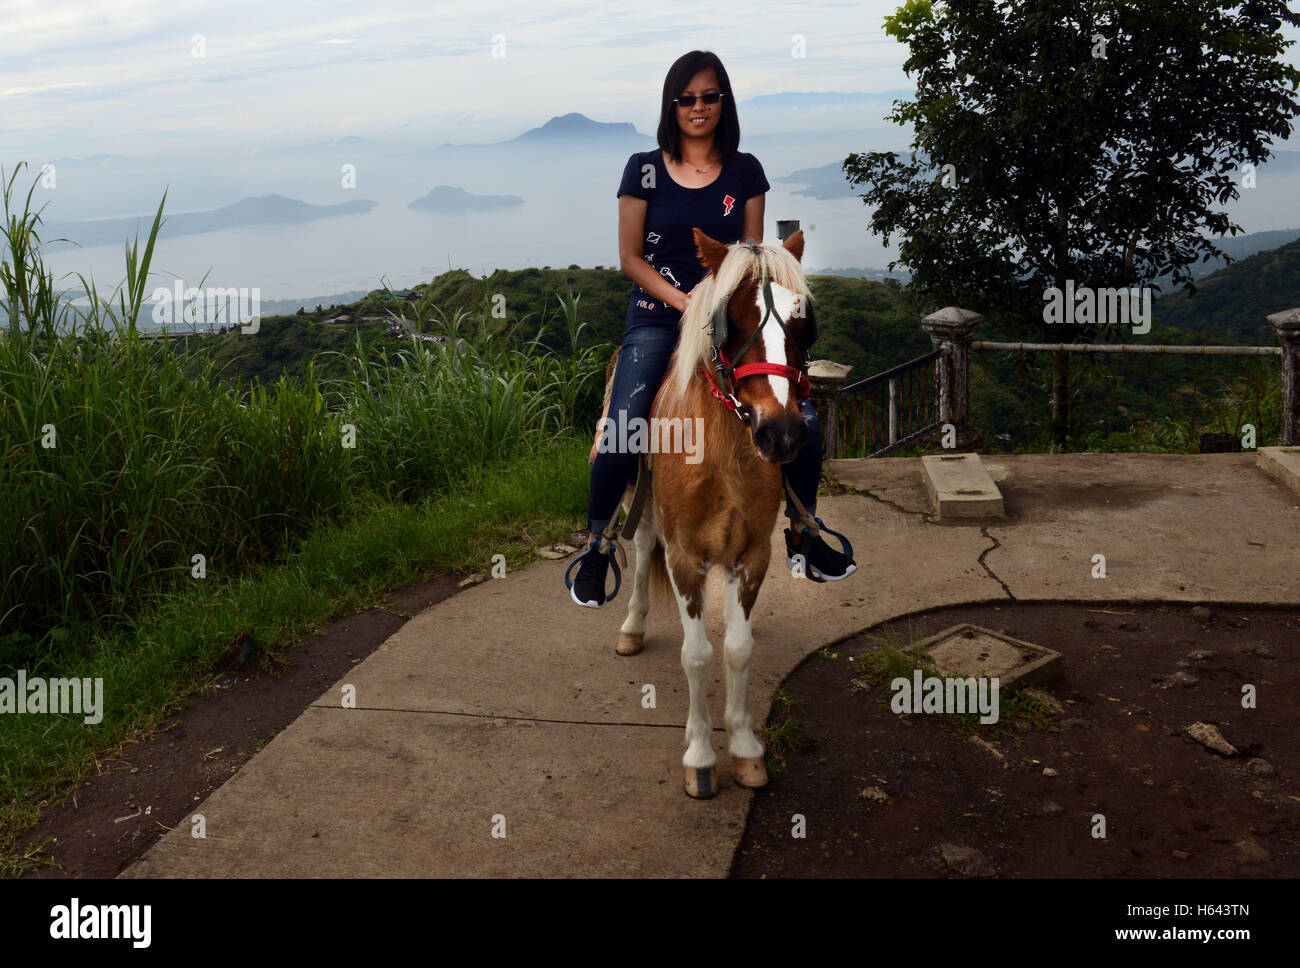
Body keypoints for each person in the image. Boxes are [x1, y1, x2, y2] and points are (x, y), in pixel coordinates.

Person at [569, 50, 855, 608]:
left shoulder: (745, 170)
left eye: (709, 96)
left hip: (728, 321)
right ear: (671, 105)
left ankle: (802, 530)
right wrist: (686, 302)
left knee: (805, 417)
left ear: (724, 102)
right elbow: (630, 258)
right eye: (687, 98)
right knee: (625, 420)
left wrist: (722, 307)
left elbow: (750, 261)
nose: (698, 107)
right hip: (659, 317)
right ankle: (600, 544)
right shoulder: (642, 168)